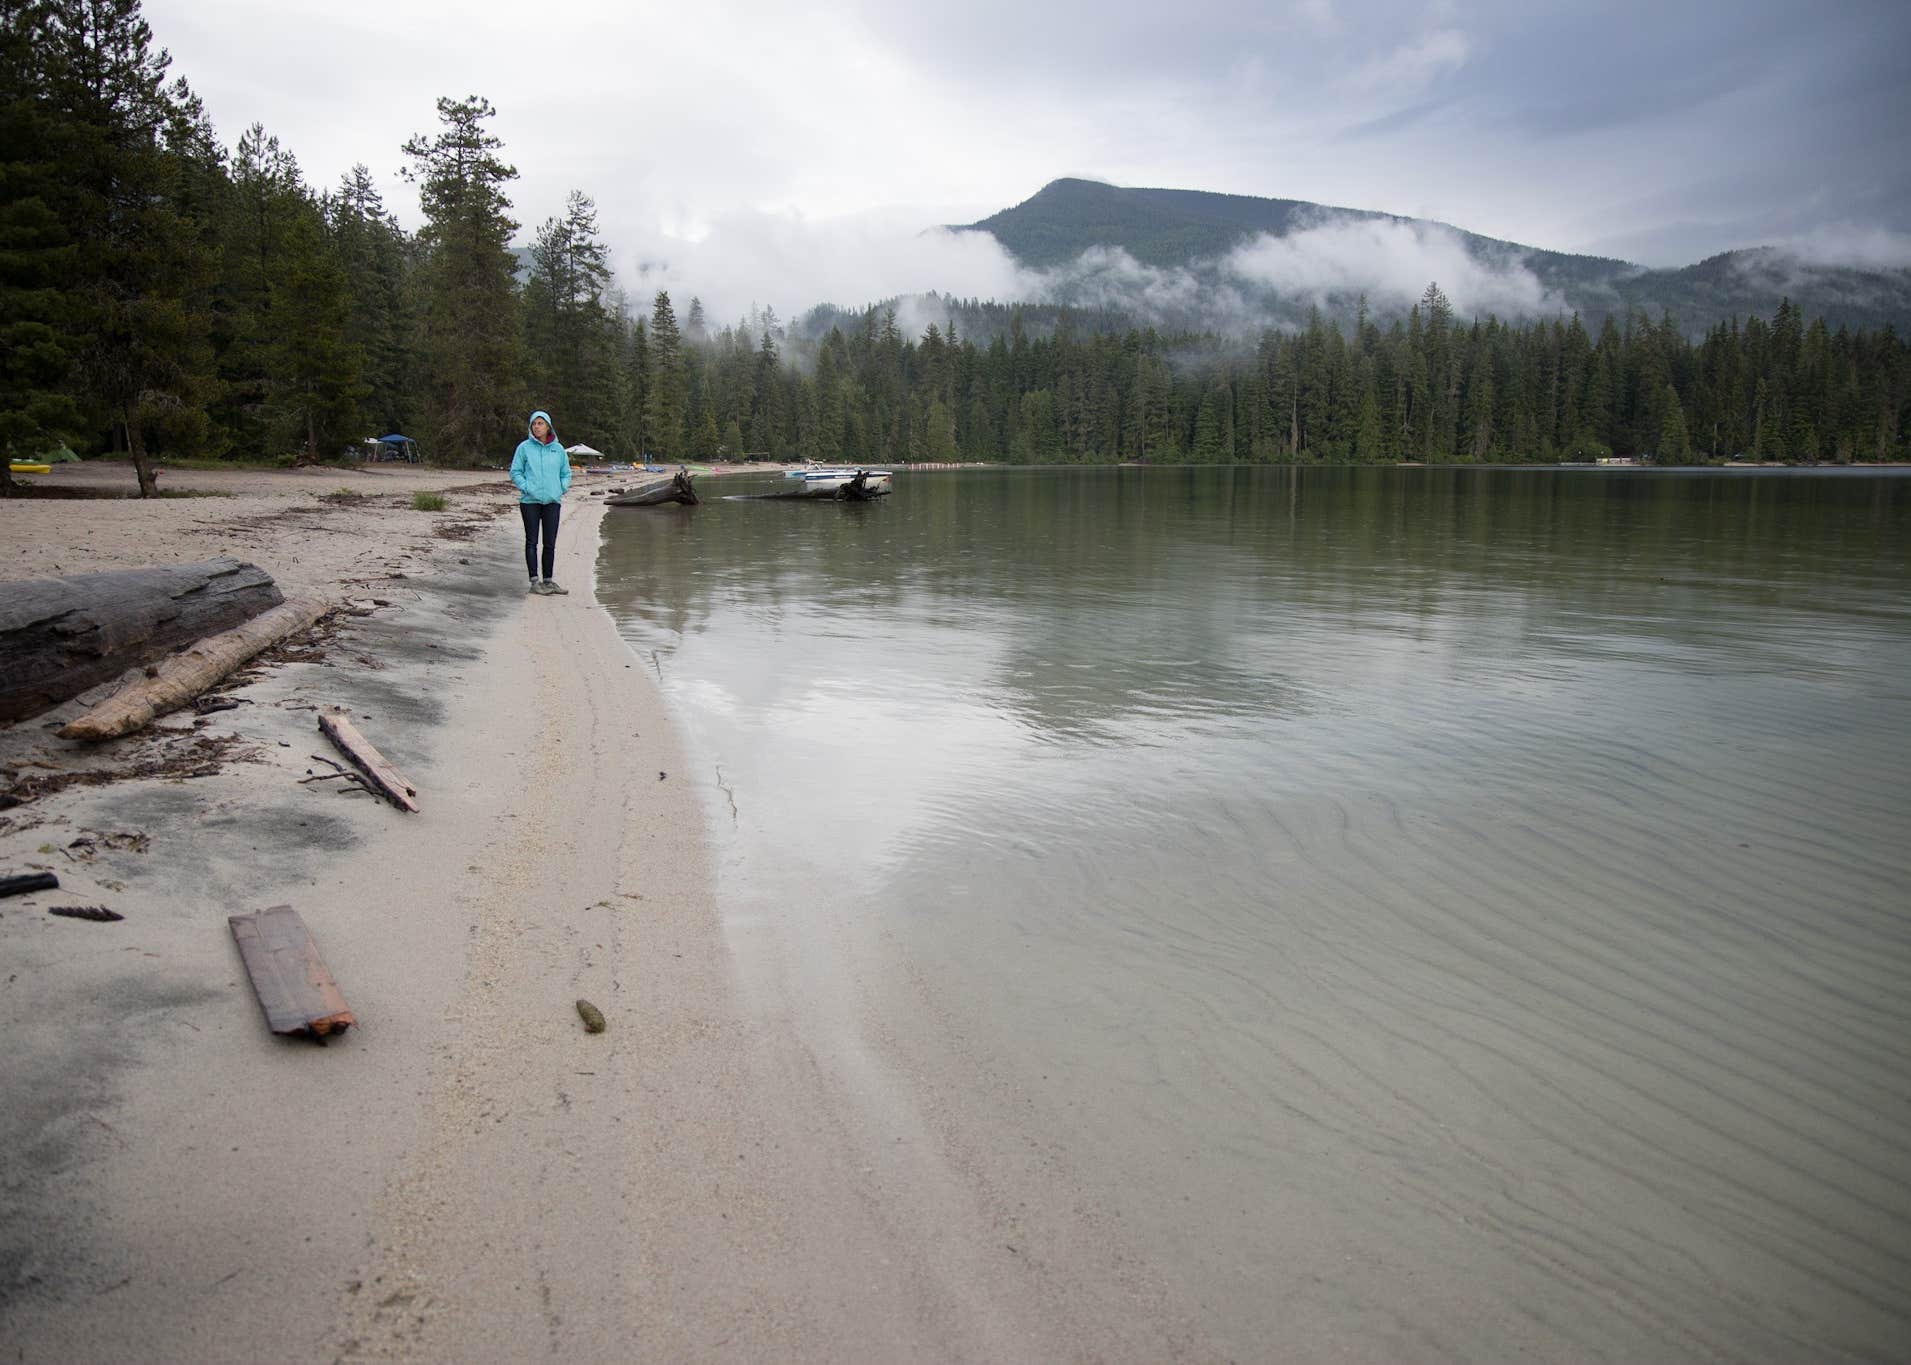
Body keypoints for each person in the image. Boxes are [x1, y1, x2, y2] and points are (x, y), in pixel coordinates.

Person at [511, 410, 572, 595]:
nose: (536, 427)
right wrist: (526, 487)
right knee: (532, 541)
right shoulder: (524, 448)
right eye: (534, 424)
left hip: (552, 501)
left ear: (548, 426)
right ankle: (534, 581)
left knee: (550, 543)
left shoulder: (558, 449)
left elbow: (566, 473)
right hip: (530, 501)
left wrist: (561, 488)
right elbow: (515, 471)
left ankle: (548, 580)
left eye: (540, 423)